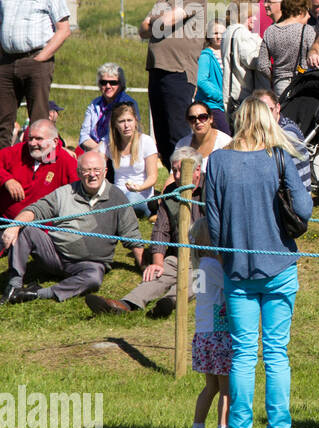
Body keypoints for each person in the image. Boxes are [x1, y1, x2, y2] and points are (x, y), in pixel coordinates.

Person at [203, 98, 313, 428]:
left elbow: (214, 224)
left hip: (237, 269)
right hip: (280, 266)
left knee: (243, 355)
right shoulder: (279, 157)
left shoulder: (217, 161)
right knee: (276, 353)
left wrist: (228, 256)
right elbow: (305, 209)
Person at [2, 150, 143, 305]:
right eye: (86, 170)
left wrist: (145, 266)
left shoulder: (117, 197)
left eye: (97, 170)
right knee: (25, 228)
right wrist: (14, 226)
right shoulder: (65, 192)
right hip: (54, 255)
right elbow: (36, 209)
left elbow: (132, 236)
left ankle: (36, 293)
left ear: (105, 171)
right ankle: (14, 285)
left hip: (88, 264)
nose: (92, 175)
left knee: (94, 278)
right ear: (78, 172)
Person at [85, 147, 201, 318]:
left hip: (206, 257)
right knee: (159, 273)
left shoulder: (211, 189)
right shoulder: (171, 191)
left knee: (199, 278)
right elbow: (161, 229)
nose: (176, 176)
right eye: (174, 170)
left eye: (181, 171)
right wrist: (157, 262)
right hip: (177, 255)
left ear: (197, 169)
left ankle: (168, 303)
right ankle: (125, 304)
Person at [0, 0, 70, 150]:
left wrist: (43, 57)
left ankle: (40, 171)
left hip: (36, 60)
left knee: (39, 122)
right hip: (6, 62)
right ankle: (3, 172)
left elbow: (63, 30)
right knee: (3, 122)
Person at [139, 0, 208, 165]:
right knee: (161, 132)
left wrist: (155, 21)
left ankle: (185, 184)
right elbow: (143, 29)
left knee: (177, 131)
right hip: (157, 69)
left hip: (178, 72)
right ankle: (171, 182)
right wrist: (157, 22)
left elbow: (163, 23)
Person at [186, 213, 231, 428]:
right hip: (219, 334)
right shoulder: (213, 265)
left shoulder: (199, 266)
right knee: (226, 389)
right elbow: (231, 284)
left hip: (204, 334)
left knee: (210, 386)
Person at [1, 118, 76, 223]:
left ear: (54, 141)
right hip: (5, 222)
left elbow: (79, 193)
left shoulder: (66, 162)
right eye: (30, 138)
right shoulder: (20, 150)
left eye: (39, 139)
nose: (32, 143)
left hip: (43, 230)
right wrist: (7, 180)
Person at [99, 103, 158, 215]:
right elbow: (97, 165)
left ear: (135, 121)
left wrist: (139, 188)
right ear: (115, 124)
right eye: (121, 121)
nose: (126, 125)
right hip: (118, 193)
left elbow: (153, 177)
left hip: (140, 195)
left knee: (130, 199)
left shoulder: (146, 141)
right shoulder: (108, 143)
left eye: (129, 120)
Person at [257, 0, 316, 98]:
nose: (309, 16)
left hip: (280, 84)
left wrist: (275, 76)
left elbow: (262, 65)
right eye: (306, 12)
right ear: (300, 11)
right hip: (303, 82)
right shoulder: (307, 30)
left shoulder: (270, 31)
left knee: (283, 113)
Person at [251, 90, 312, 192]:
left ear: (278, 108)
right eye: (261, 111)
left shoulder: (287, 132)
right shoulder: (266, 129)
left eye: (269, 109)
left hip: (295, 196)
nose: (265, 115)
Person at [78, 63, 139, 152]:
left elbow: (121, 137)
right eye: (103, 82)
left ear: (121, 84)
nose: (108, 86)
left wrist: (99, 153)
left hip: (118, 153)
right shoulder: (94, 104)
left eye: (113, 83)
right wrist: (98, 153)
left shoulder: (128, 104)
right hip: (96, 152)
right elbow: (84, 136)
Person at [221, 0, 264, 110]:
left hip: (230, 93)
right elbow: (252, 61)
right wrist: (261, 46)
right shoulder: (242, 33)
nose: (255, 19)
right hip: (242, 94)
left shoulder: (228, 32)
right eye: (252, 16)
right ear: (244, 15)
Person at [174, 100, 232, 174]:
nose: (197, 122)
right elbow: (174, 174)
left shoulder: (226, 143)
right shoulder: (182, 145)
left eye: (202, 117)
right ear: (188, 122)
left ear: (211, 119)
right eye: (192, 119)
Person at [196, 21, 229, 135]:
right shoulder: (205, 56)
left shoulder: (228, 54)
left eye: (222, 33)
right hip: (212, 105)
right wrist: (220, 97)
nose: (218, 36)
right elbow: (201, 81)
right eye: (215, 33)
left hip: (226, 105)